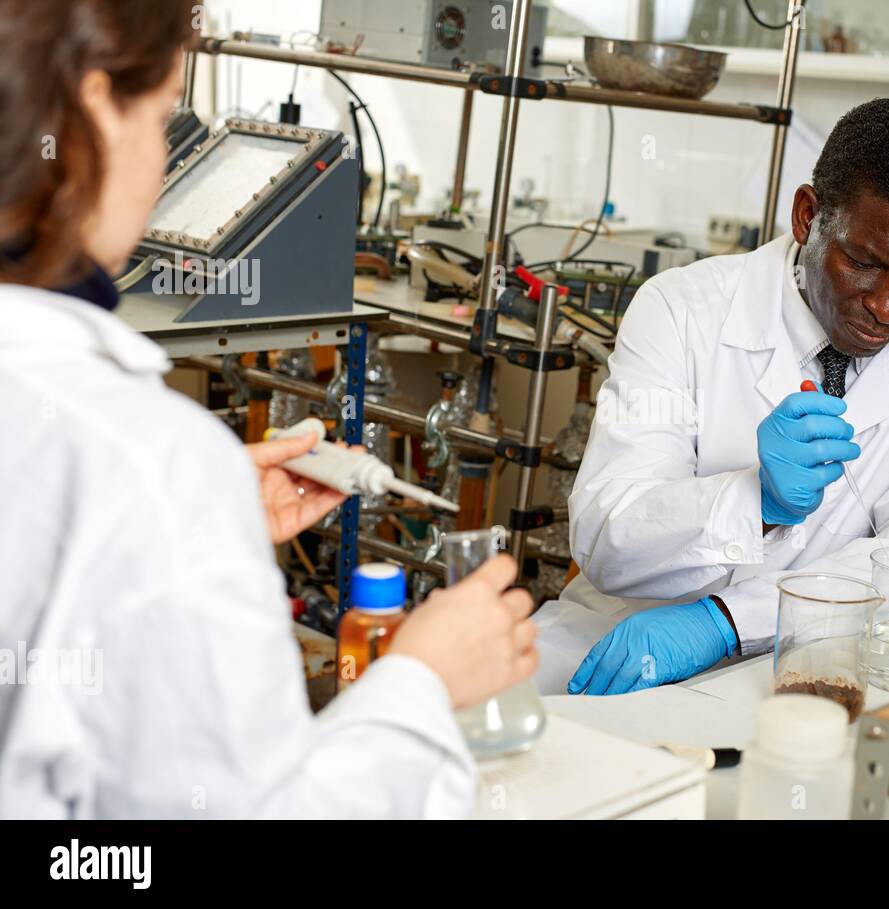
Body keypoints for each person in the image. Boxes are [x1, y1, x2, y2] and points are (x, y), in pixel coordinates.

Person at [0, 0, 538, 819]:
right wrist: (423, 679)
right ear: (97, 113)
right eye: (164, 111)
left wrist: (195, 530)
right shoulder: (149, 462)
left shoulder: (142, 467)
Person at [532, 99, 889, 696]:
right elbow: (607, 537)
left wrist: (728, 620)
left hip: (832, 665)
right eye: (865, 262)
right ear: (807, 215)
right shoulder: (682, 310)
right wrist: (754, 502)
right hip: (616, 643)